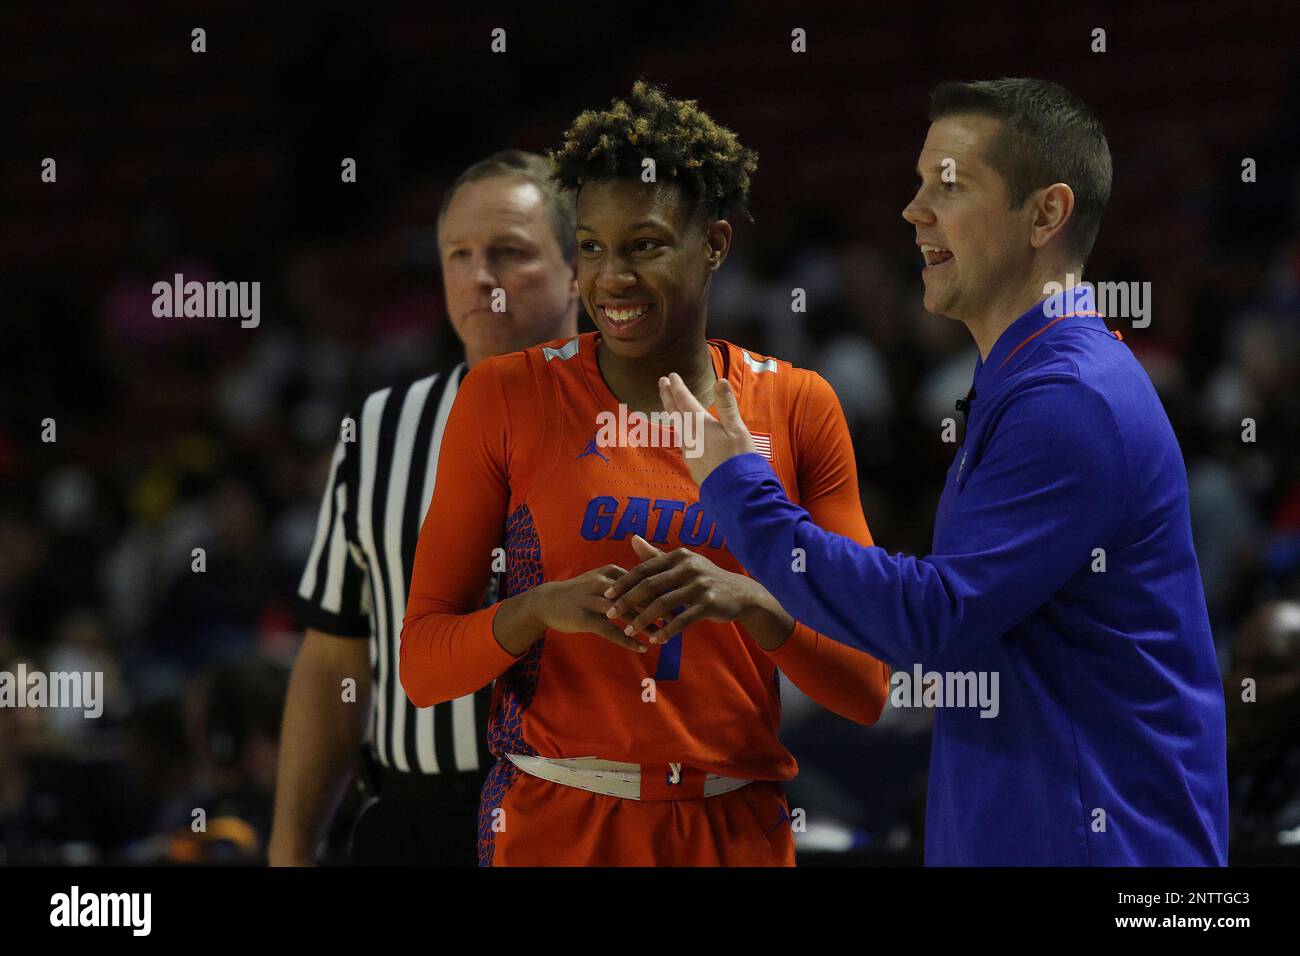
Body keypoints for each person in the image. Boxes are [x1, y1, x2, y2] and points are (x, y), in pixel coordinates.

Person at [639, 78, 1229, 866]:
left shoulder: (1071, 401)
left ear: (1045, 214)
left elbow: (934, 619)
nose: (914, 211)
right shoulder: (1034, 378)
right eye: (919, 185)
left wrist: (742, 491)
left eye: (947, 186)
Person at [400, 80, 892, 867]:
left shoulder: (799, 405)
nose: (611, 278)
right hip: (555, 820)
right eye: (591, 246)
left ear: (716, 245)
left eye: (646, 244)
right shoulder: (507, 394)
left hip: (733, 826)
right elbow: (422, 665)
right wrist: (536, 610)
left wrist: (753, 604)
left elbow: (866, 687)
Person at [270, 150, 580, 866]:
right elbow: (332, 656)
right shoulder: (379, 428)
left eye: (509, 252)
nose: (480, 278)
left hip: (584, 815)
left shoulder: (636, 422)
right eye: (459, 254)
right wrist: (289, 851)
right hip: (416, 819)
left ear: (577, 271)